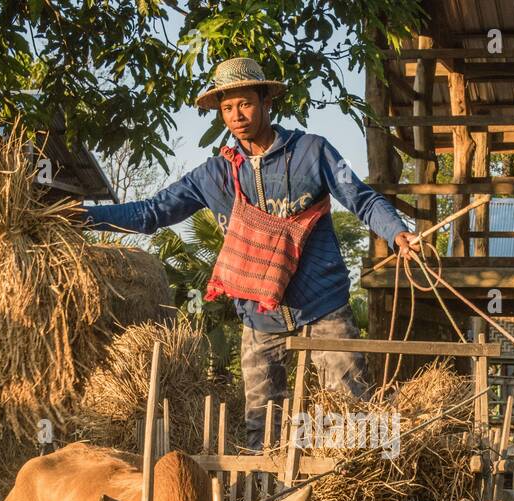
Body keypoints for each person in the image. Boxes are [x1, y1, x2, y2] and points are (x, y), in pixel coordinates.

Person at [77, 57, 419, 450]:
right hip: (259, 317)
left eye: (245, 104)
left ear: (266, 102)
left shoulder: (312, 152)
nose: (237, 115)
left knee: (351, 416)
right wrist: (84, 216)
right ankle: (269, 498)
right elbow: (150, 213)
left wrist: (398, 234)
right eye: (227, 108)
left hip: (323, 306)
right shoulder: (214, 175)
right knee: (261, 429)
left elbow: (361, 199)